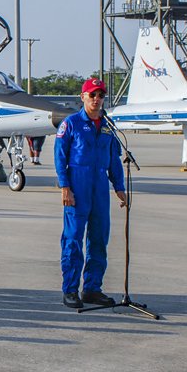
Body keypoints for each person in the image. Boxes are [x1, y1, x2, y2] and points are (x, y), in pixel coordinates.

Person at [54, 77, 127, 309]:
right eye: (92, 95)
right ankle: (70, 289)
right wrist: (65, 187)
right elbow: (60, 157)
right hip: (78, 186)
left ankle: (92, 289)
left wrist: (120, 188)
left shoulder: (107, 126)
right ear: (83, 97)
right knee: (73, 239)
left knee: (99, 239)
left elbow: (114, 160)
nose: (97, 99)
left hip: (99, 188)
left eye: (101, 95)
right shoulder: (72, 123)